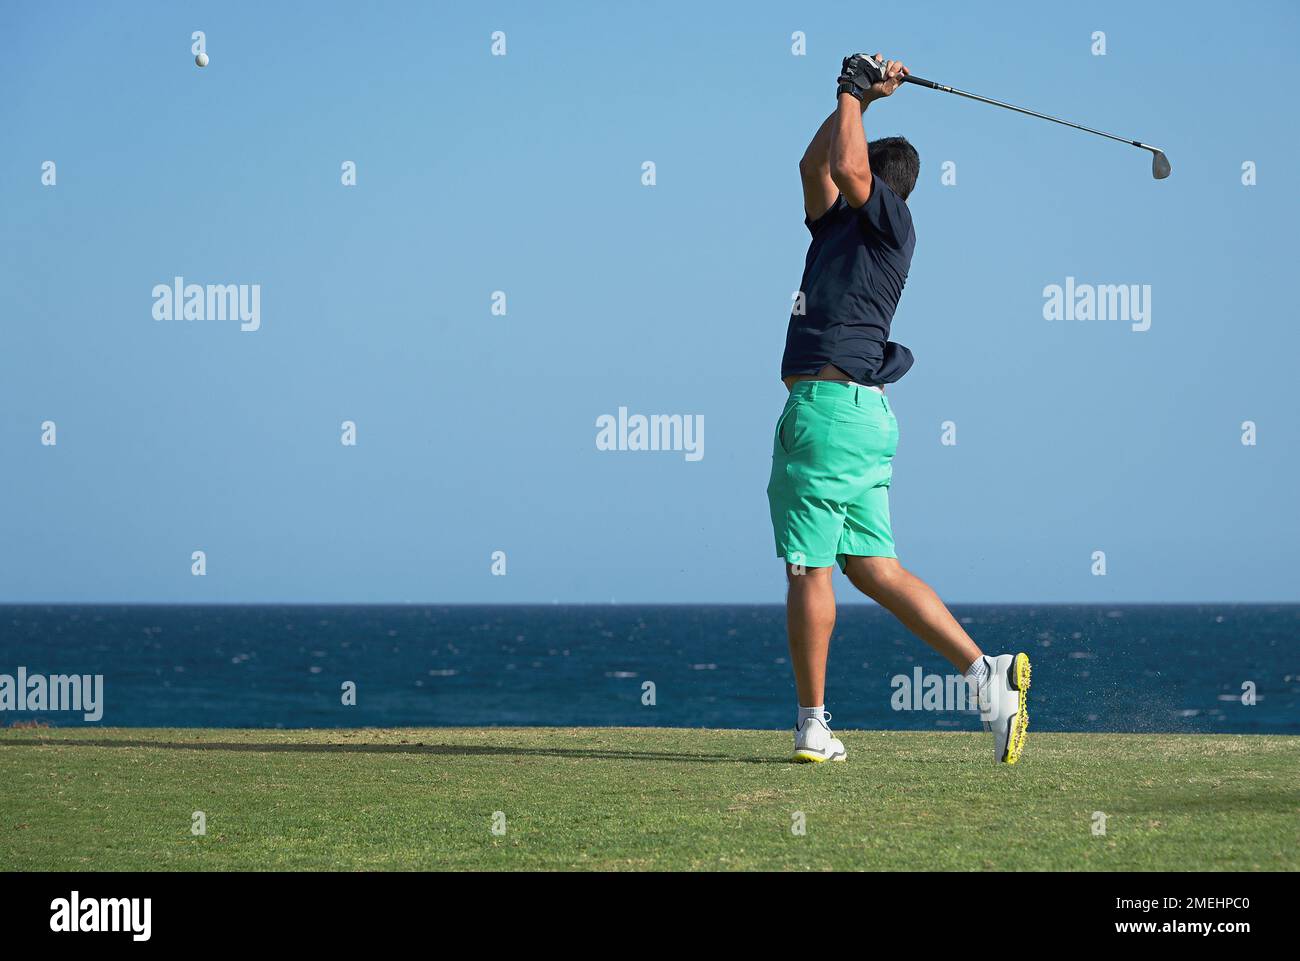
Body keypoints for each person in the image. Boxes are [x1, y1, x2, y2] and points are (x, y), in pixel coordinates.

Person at [767, 53, 1030, 764]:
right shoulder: (835, 229)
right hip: (860, 417)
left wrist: (852, 93)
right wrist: (863, 99)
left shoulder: (887, 218)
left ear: (882, 184)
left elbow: (849, 170)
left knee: (809, 568)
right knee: (874, 568)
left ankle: (812, 724)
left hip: (827, 411)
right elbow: (812, 165)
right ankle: (987, 677)